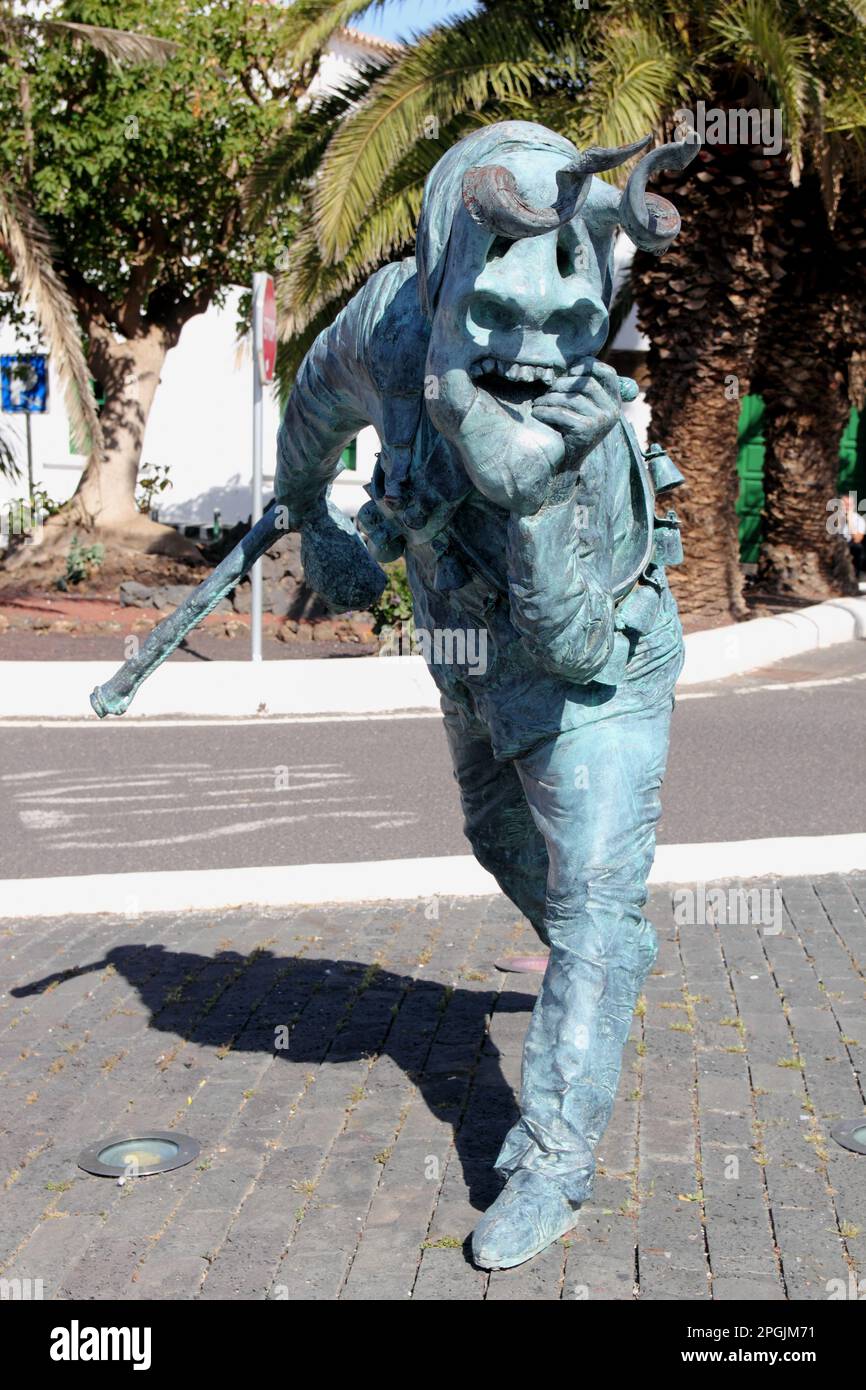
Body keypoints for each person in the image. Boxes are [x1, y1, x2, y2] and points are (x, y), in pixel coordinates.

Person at [274, 120, 698, 1269]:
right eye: (491, 318)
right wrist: (308, 515)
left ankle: (555, 1156)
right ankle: (598, 949)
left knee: (591, 905)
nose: (528, 352)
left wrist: (519, 471)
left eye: (562, 323)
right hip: (465, 650)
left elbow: (564, 642)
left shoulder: (578, 432)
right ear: (444, 272)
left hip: (593, 666)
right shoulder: (392, 318)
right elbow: (312, 406)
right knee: (491, 831)